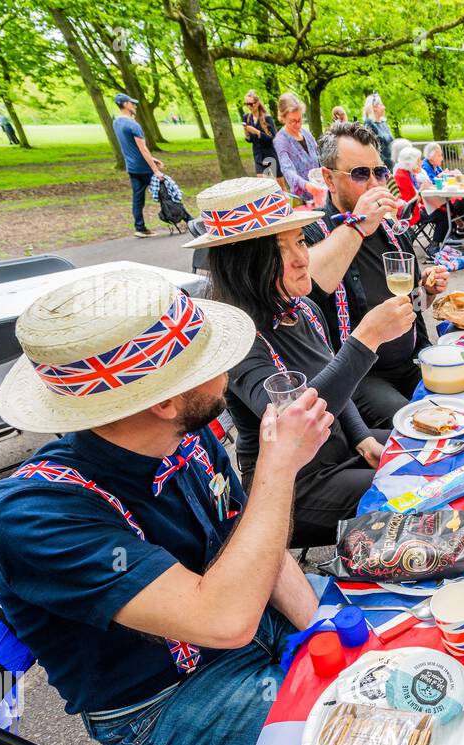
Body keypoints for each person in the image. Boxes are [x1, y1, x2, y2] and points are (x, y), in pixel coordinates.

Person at [0, 267, 335, 745]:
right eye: (211, 359)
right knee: (373, 721)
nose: (229, 365)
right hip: (165, 699)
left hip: (248, 619)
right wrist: (279, 468)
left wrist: (319, 628)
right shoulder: (33, 517)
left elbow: (246, 536)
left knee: (400, 636)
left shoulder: (183, 434)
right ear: (165, 401)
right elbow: (222, 621)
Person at [186, 177, 413, 545]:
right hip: (297, 488)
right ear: (244, 263)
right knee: (418, 485)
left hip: (342, 455)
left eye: (301, 240)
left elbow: (333, 380)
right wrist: (366, 338)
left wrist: (361, 438)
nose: (301, 258)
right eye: (280, 249)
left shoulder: (303, 309)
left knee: (429, 451)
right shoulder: (238, 340)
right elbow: (298, 421)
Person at [303, 122, 449, 427]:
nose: (373, 184)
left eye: (379, 173)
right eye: (360, 174)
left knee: (460, 404)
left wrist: (427, 292)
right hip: (361, 379)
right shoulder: (313, 234)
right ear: (329, 178)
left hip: (411, 360)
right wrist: (358, 225)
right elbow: (311, 286)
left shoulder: (394, 233)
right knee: (421, 425)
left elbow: (412, 305)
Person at [112, 93, 163, 239]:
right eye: (132, 103)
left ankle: (140, 228)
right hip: (144, 168)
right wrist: (155, 169)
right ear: (125, 104)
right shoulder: (133, 125)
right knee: (167, 192)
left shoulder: (116, 122)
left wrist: (153, 158)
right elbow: (143, 149)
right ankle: (187, 220)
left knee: (138, 198)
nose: (135, 106)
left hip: (132, 167)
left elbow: (129, 146)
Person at [394, 146, 449, 255]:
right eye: (418, 161)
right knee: (444, 215)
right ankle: (434, 245)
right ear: (410, 162)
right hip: (409, 214)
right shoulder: (401, 176)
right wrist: (421, 191)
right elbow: (407, 206)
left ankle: (438, 242)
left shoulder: (408, 174)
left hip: (416, 209)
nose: (421, 163)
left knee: (445, 208)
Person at [273, 92, 320, 201]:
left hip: (321, 192)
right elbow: (287, 170)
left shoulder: (306, 133)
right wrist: (307, 186)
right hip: (303, 199)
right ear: (282, 118)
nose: (298, 125)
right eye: (292, 121)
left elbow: (319, 156)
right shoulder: (281, 140)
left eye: (299, 120)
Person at [242, 90, 279, 178]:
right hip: (258, 156)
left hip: (270, 155)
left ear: (257, 103)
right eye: (246, 104)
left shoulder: (267, 118)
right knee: (262, 185)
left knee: (278, 185)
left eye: (251, 104)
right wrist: (247, 133)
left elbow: (272, 138)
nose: (249, 106)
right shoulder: (246, 117)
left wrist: (256, 132)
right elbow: (250, 140)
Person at [362, 93, 394, 167]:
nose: (384, 107)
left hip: (391, 164)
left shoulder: (383, 123)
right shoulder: (369, 124)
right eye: (381, 105)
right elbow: (369, 149)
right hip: (380, 168)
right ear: (374, 107)